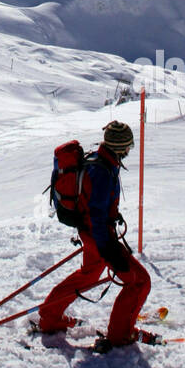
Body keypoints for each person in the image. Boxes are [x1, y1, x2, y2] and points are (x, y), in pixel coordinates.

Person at [37, 120, 155, 350]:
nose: (130, 150)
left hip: (91, 233)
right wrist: (108, 248)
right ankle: (121, 335)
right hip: (98, 236)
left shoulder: (101, 161)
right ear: (120, 147)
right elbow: (97, 214)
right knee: (139, 282)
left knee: (89, 275)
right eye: (128, 146)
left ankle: (50, 316)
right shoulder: (101, 171)